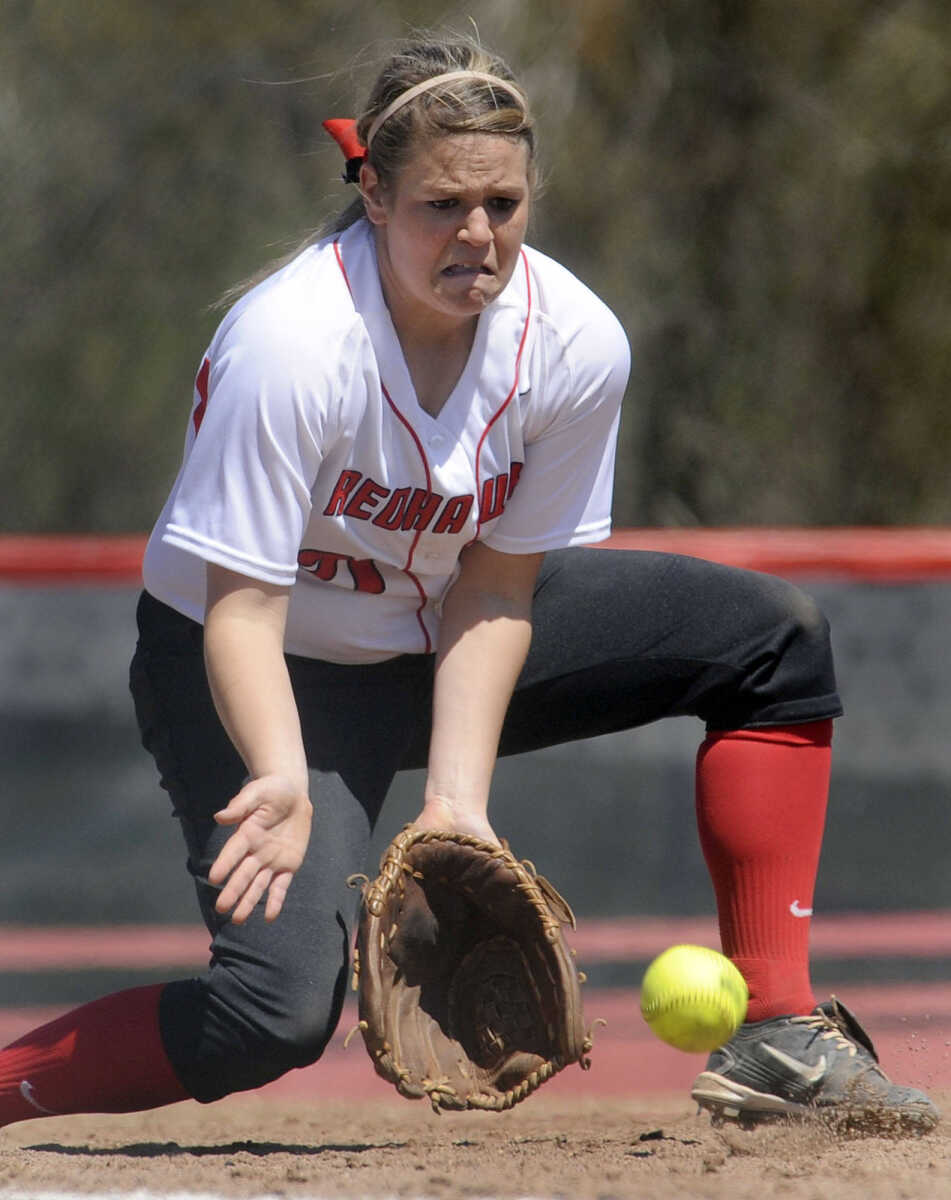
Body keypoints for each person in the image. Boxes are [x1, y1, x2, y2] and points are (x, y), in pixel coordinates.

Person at [0, 33, 938, 1135]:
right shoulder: (293, 346)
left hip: (444, 626)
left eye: (503, 201)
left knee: (772, 641)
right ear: (375, 192)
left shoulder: (575, 342)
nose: (478, 233)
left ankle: (777, 1033)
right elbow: (241, 610)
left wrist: (459, 803)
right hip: (260, 667)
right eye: (443, 204)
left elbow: (494, 585)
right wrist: (282, 775)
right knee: (272, 1015)